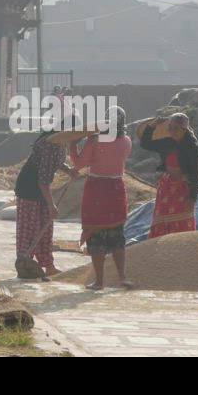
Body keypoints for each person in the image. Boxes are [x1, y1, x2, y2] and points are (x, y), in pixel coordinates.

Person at [70, 107, 134, 290]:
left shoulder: (95, 140)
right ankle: (122, 276)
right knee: (116, 234)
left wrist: (73, 145)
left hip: (97, 189)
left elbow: (79, 163)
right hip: (116, 189)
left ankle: (99, 281)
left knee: (96, 235)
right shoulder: (126, 141)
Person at [14, 128, 79, 279]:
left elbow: (57, 163)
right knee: (29, 228)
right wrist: (51, 205)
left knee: (46, 227)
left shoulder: (60, 144)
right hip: (29, 188)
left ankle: (49, 266)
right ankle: (24, 265)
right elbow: (43, 181)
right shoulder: (50, 145)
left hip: (39, 188)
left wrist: (68, 170)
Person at [140, 113, 198, 239]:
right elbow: (145, 144)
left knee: (181, 223)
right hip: (166, 188)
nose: (172, 131)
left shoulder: (192, 146)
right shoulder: (168, 142)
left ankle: (180, 252)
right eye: (170, 128)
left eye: (176, 128)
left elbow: (196, 173)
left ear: (184, 129)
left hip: (182, 189)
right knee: (161, 220)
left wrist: (192, 198)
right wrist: (152, 126)